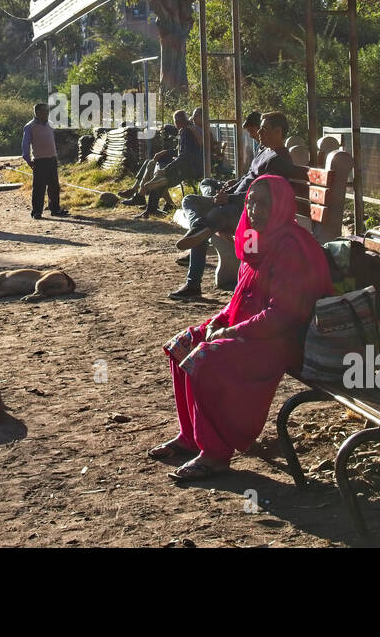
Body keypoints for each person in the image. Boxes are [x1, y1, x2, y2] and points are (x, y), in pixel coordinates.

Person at [152, 175, 332, 480]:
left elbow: (284, 315)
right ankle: (191, 436)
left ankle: (215, 455)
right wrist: (221, 321)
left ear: (281, 206)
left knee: (202, 360)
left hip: (281, 341)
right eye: (250, 202)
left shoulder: (290, 246)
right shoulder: (256, 239)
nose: (253, 210)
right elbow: (241, 296)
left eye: (263, 203)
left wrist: (231, 332)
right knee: (183, 344)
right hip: (251, 329)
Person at [169, 111, 296, 300]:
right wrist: (227, 193)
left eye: (264, 128)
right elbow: (247, 179)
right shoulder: (265, 151)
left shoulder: (280, 161)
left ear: (278, 132)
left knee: (215, 216)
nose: (259, 132)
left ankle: (193, 283)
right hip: (235, 203)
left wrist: (229, 199)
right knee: (190, 201)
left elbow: (263, 197)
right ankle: (199, 229)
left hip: (251, 216)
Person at [117, 110, 202, 219]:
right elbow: (183, 152)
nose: (176, 123)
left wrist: (166, 169)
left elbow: (184, 156)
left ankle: (148, 206)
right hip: (189, 165)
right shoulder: (187, 131)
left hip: (189, 168)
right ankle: (147, 205)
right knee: (156, 171)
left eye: (177, 120)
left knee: (158, 178)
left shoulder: (187, 132)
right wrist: (165, 153)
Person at [21, 103, 69, 219]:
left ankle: (55, 209)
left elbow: (53, 140)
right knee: (39, 187)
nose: (47, 114)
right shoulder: (30, 126)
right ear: (37, 112)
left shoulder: (50, 124)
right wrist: (28, 160)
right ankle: (37, 212)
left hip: (52, 159)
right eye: (45, 112)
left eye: (47, 112)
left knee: (54, 186)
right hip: (39, 160)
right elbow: (25, 146)